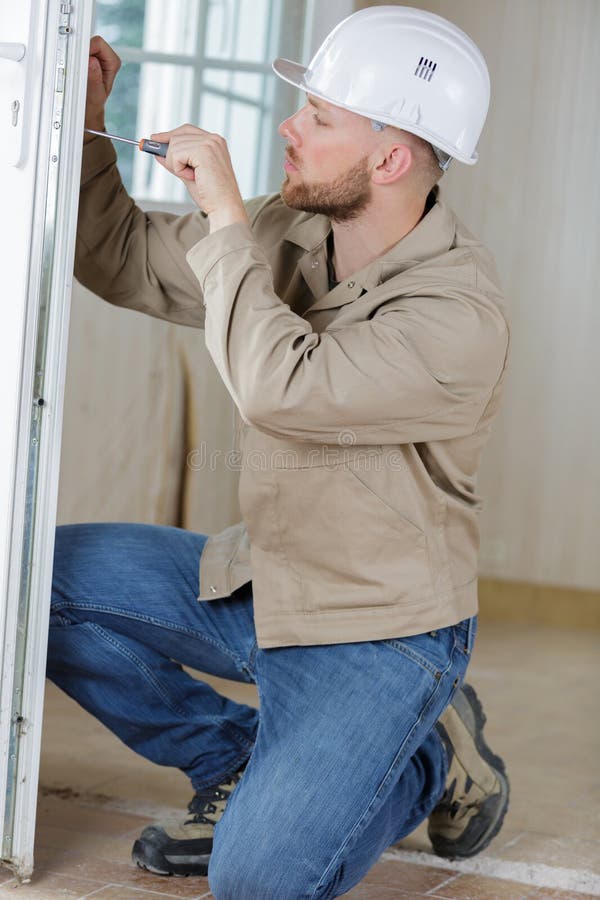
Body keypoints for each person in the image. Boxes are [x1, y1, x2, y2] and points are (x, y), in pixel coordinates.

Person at [48, 6, 510, 898]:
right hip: (265, 581)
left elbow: (283, 389)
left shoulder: (457, 316)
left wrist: (222, 214)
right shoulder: (289, 230)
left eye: (320, 117)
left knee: (256, 882)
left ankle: (422, 759)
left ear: (390, 158)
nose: (288, 128)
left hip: (380, 633)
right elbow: (121, 256)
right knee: (41, 582)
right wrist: (85, 127)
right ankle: (230, 764)